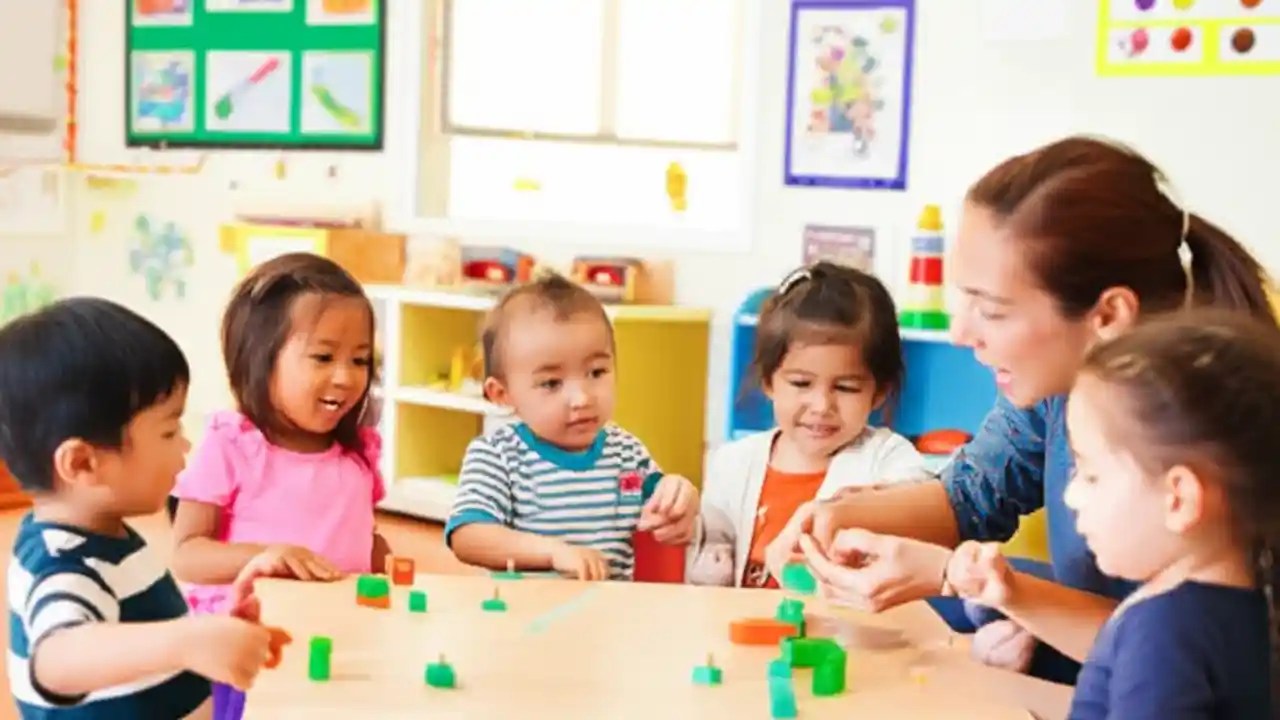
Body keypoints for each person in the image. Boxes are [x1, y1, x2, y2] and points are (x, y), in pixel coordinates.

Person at [782, 135, 1276, 682]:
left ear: (1108, 315)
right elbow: (971, 495)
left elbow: (1191, 647)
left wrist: (964, 579)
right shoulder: (1060, 386)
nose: (960, 332)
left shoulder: (1208, 421)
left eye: (991, 310)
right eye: (963, 298)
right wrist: (832, 518)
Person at [948, 310, 1276, 717]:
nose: (1070, 498)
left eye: (1090, 475)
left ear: (1178, 499)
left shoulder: (1163, 632)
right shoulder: (1246, 612)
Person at [0, 298, 273, 718]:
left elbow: (134, 638)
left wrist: (208, 634)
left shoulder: (103, 533)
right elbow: (55, 660)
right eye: (169, 430)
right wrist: (187, 642)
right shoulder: (65, 563)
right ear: (83, 463)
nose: (185, 445)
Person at [169, 253, 389, 718]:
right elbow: (187, 554)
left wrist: (381, 565)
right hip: (252, 643)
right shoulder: (234, 443)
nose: (345, 377)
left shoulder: (357, 453)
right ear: (260, 359)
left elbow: (359, 538)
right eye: (323, 357)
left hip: (340, 633)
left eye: (360, 359)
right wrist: (266, 556)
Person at [687, 262, 928, 587]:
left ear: (878, 393)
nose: (821, 406)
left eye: (845, 388)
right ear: (769, 382)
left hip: (839, 632)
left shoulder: (887, 457)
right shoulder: (732, 463)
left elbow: (919, 505)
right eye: (801, 384)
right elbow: (707, 549)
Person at [445, 273, 699, 581]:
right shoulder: (497, 456)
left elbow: (662, 505)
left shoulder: (626, 455)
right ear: (502, 394)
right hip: (526, 621)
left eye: (596, 372)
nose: (581, 398)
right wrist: (553, 552)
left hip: (610, 619)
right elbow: (468, 536)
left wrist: (680, 498)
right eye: (551, 383)